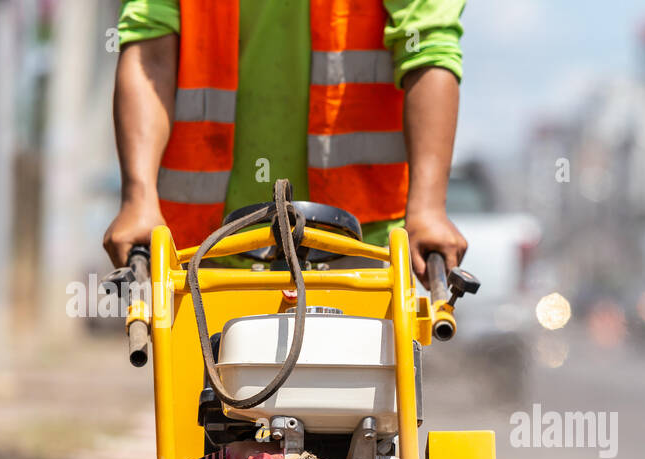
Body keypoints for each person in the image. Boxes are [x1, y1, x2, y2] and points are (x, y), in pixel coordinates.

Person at [103, 0, 467, 286]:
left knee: (356, 378)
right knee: (215, 379)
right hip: (208, 250)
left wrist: (428, 210)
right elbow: (149, 48)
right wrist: (139, 199)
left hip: (359, 248)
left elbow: (429, 47)